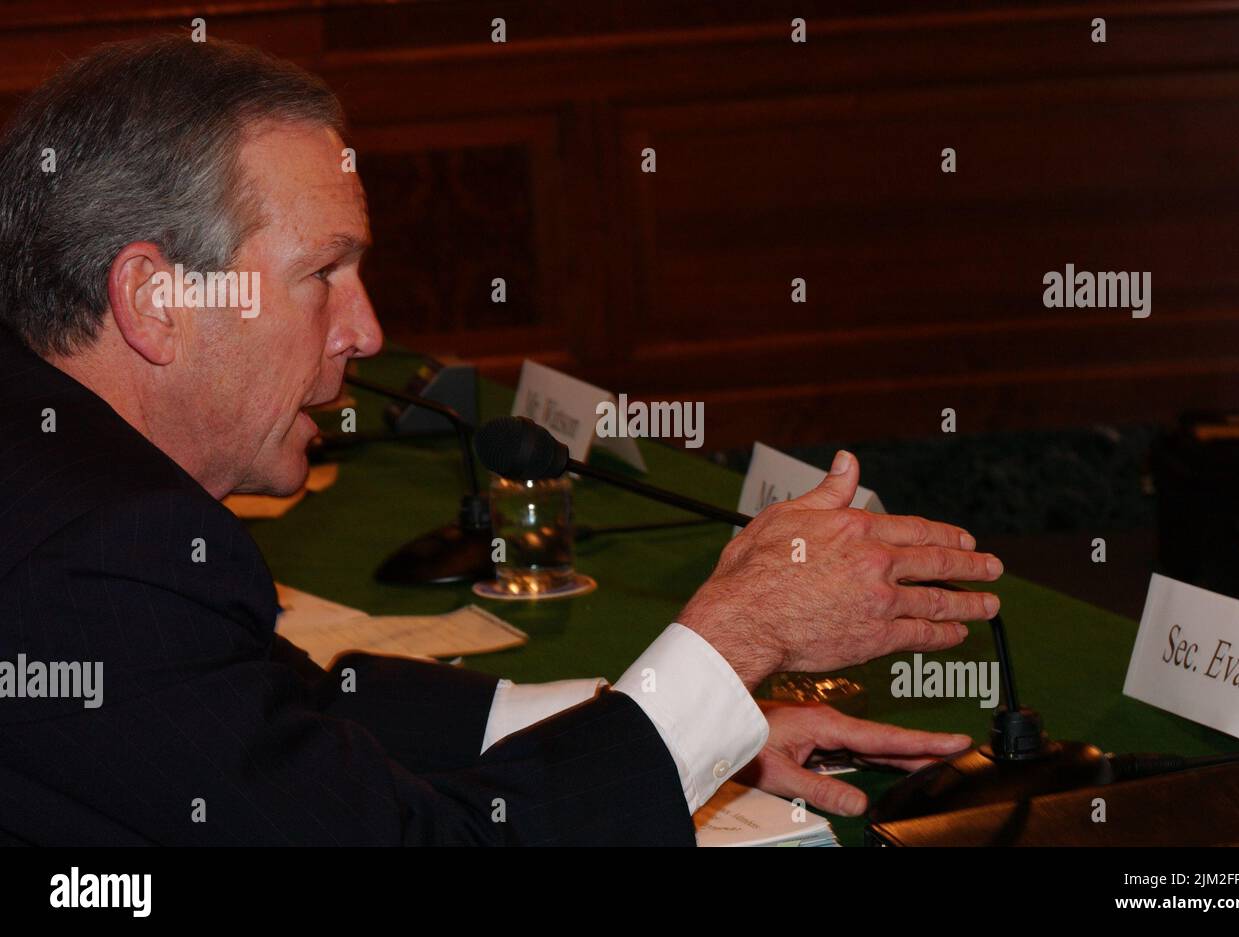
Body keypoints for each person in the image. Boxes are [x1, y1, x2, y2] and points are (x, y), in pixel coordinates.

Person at [0, 35, 1003, 845]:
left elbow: (273, 721)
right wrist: (731, 643)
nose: (365, 331)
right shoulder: (97, 560)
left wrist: (671, 726)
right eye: (323, 275)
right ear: (155, 299)